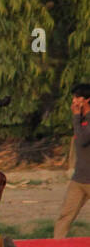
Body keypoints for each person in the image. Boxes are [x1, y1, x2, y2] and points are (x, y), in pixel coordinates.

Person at [53, 83, 90, 238]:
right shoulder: (81, 119)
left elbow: (82, 140)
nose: (74, 101)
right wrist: (77, 118)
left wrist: (75, 117)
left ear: (87, 100)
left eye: (77, 97)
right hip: (79, 179)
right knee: (65, 216)